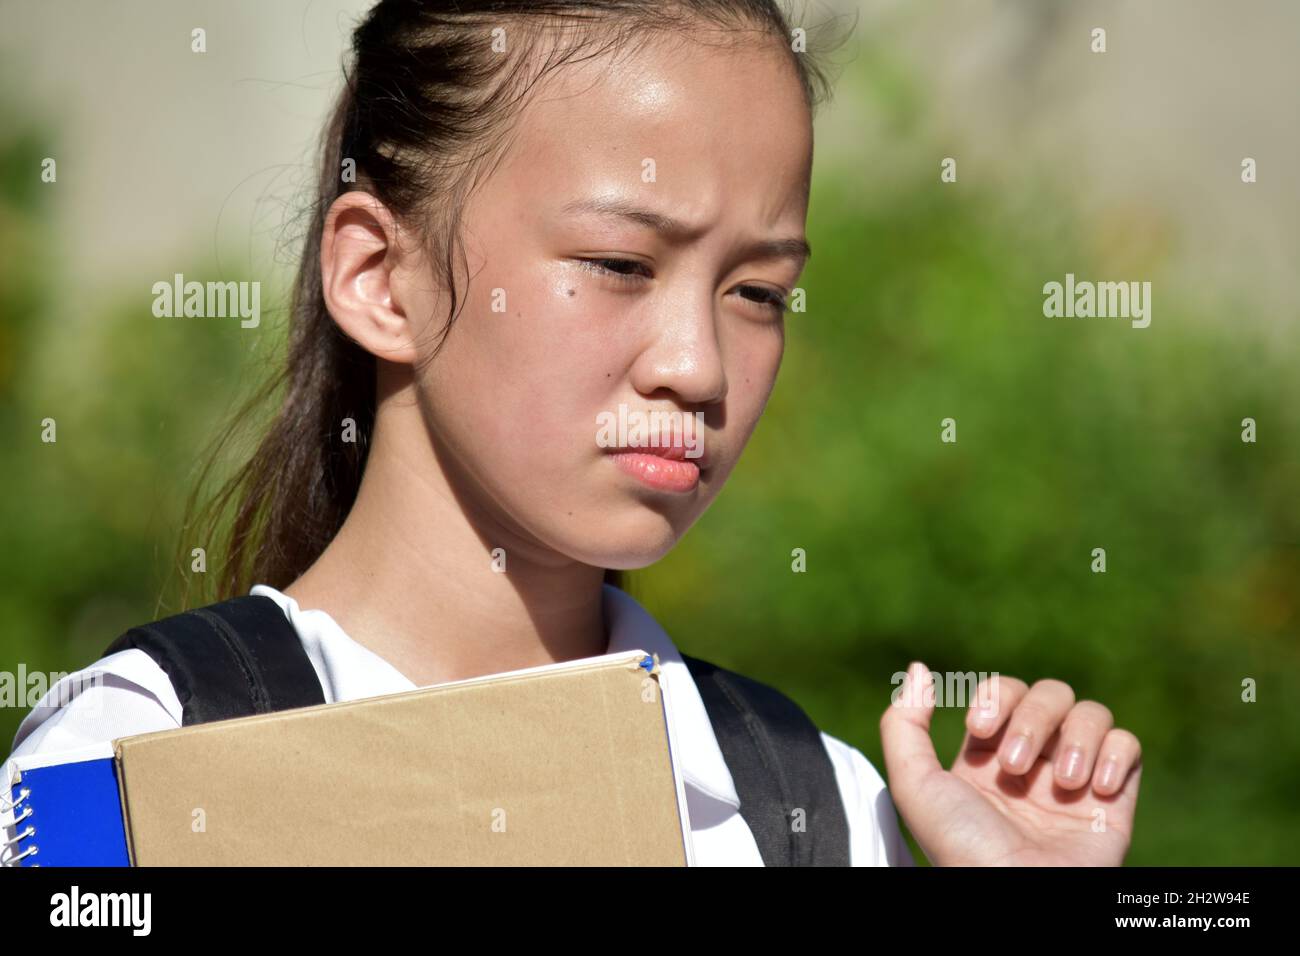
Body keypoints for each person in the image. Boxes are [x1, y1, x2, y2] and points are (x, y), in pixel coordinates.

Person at [3, 0, 1140, 867]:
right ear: (377, 276)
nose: (695, 365)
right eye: (618, 265)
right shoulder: (127, 767)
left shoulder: (821, 808)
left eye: (758, 291)